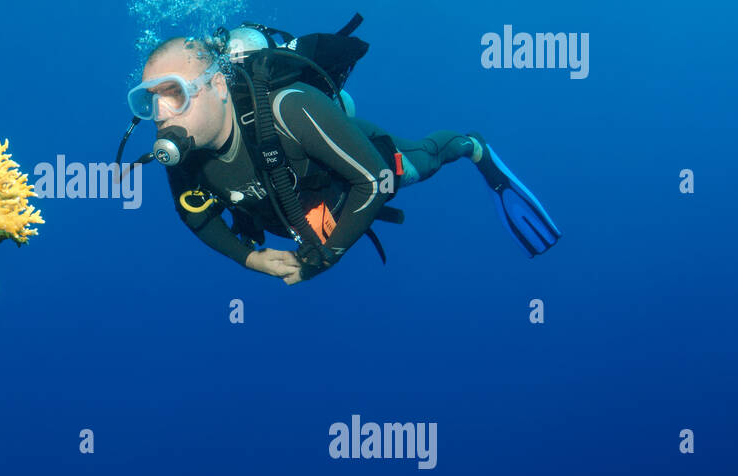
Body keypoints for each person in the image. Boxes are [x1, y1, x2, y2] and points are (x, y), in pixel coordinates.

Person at [126, 29, 561, 284]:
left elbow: (372, 181)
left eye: (175, 94)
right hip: (300, 212)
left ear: (218, 86)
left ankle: (471, 146)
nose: (162, 116)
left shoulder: (288, 109)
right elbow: (196, 217)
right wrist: (249, 258)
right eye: (149, 103)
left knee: (418, 164)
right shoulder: (181, 153)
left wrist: (326, 257)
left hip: (354, 168)